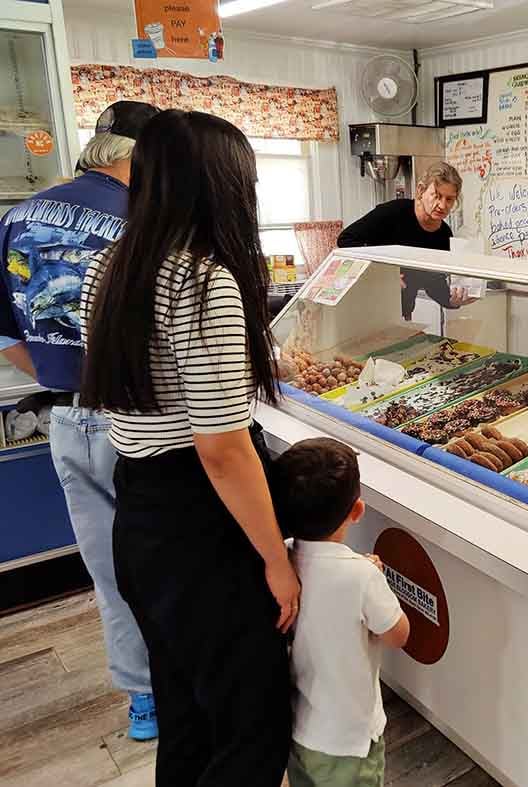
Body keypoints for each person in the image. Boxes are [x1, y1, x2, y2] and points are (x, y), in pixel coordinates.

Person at [79, 110, 299, 787]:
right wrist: (277, 561)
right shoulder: (204, 281)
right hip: (203, 529)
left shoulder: (109, 268)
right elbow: (223, 451)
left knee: (186, 717)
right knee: (252, 726)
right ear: (217, 186)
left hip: (140, 514)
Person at [0, 101, 160, 741]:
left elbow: (6, 335)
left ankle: (144, 701)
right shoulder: (149, 219)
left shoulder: (17, 217)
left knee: (109, 573)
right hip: (142, 420)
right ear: (141, 156)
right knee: (170, 562)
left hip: (67, 419)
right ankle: (188, 687)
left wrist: (58, 370)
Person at [272, 437, 410, 787]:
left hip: (299, 728)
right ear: (357, 510)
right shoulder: (362, 576)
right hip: (350, 740)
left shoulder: (281, 561)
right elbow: (398, 634)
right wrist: (374, 582)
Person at [337, 161, 476, 320]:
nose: (442, 205)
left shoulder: (444, 234)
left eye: (449, 199)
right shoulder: (393, 212)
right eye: (437, 196)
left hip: (401, 314)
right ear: (421, 190)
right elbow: (346, 240)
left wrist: (452, 301)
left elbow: (433, 283)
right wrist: (384, 273)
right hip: (365, 309)